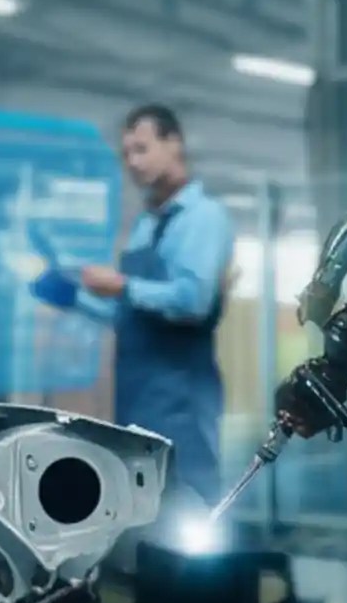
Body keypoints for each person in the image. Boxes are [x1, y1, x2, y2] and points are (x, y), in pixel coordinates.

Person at [33, 104, 235, 509]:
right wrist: (77, 298)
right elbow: (132, 317)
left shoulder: (204, 218)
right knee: (145, 508)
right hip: (138, 398)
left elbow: (192, 302)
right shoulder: (145, 224)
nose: (133, 163)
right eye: (125, 154)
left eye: (141, 149)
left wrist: (120, 284)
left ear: (173, 142)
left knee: (192, 507)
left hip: (183, 401)